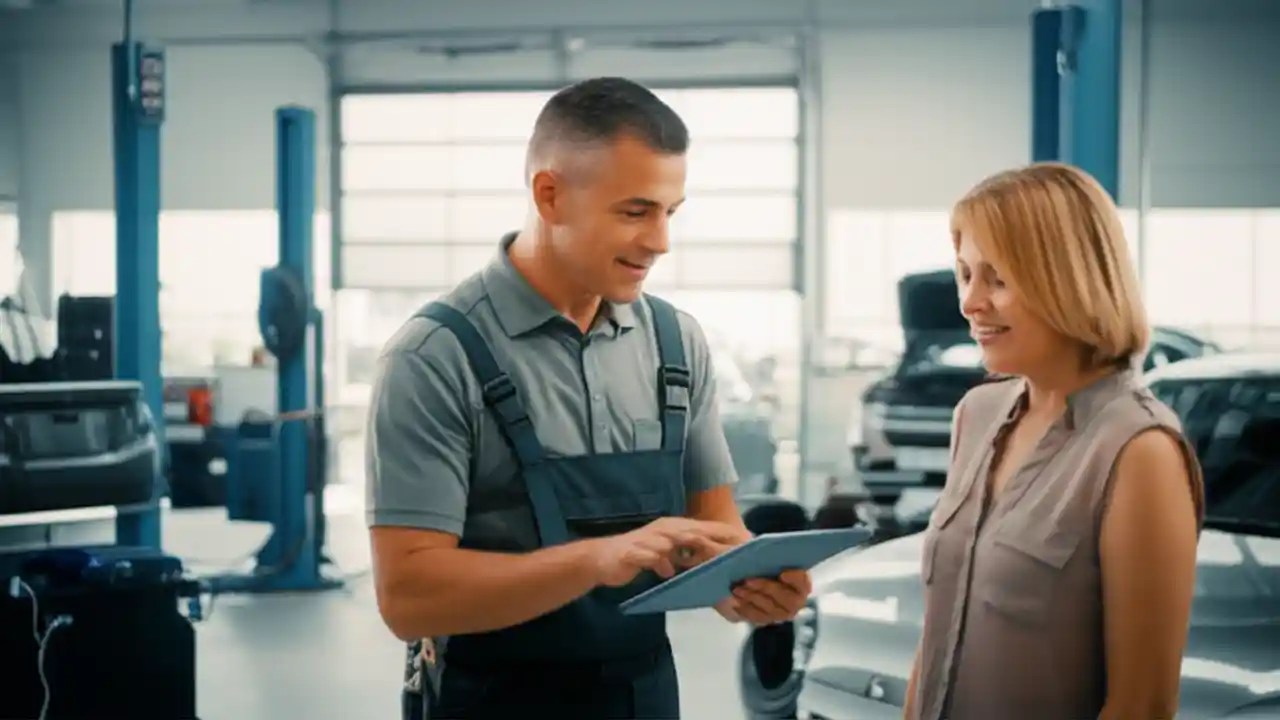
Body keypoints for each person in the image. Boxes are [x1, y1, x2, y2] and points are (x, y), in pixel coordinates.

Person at [364, 76, 812, 720]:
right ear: (550, 195)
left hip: (645, 694)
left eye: (669, 212)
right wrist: (596, 560)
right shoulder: (435, 357)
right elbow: (408, 597)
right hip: (493, 701)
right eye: (635, 211)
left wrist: (747, 584)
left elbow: (715, 528)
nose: (660, 241)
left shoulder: (676, 344)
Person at [903, 162, 1205, 720]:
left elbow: (1142, 705)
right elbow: (937, 638)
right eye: (965, 274)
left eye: (998, 278)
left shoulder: (1140, 450)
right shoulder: (976, 415)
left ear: (1067, 279)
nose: (970, 302)